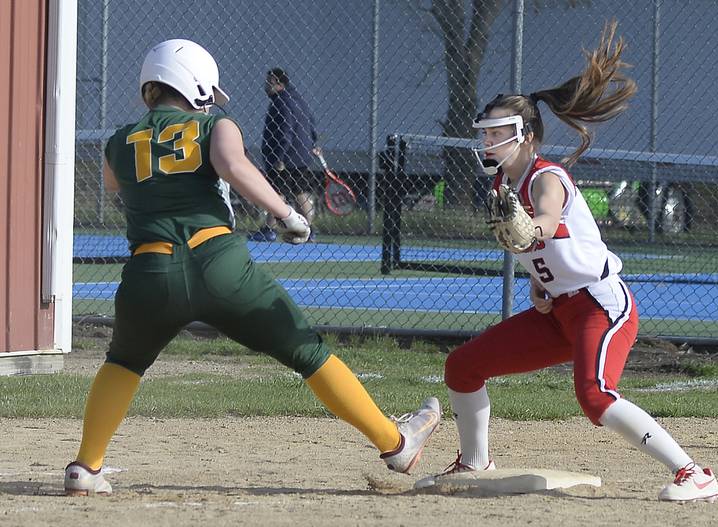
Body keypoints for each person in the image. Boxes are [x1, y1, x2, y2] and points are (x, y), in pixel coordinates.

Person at [63, 39, 440, 496]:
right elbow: (230, 163)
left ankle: (86, 465)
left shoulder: (119, 140)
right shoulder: (215, 124)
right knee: (307, 350)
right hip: (216, 262)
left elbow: (114, 187)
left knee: (122, 362)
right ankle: (395, 443)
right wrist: (286, 214)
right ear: (197, 85)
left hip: (148, 272)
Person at [421, 22, 718, 503]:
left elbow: (546, 219)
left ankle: (693, 473)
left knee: (594, 395)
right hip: (557, 311)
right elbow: (538, 250)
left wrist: (532, 231)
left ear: (527, 137)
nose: (488, 141)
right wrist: (540, 286)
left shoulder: (547, 176)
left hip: (602, 306)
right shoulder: (502, 188)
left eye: (499, 133)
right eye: (487, 132)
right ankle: (475, 461)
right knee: (463, 367)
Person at [250, 68, 321, 242]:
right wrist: (314, 143)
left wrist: (279, 157)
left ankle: (269, 229)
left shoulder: (282, 101)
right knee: (300, 191)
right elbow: (311, 123)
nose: (265, 86)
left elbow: (285, 131)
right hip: (301, 155)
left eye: (268, 82)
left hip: (285, 157)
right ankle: (309, 230)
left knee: (276, 192)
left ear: (276, 81)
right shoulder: (298, 99)